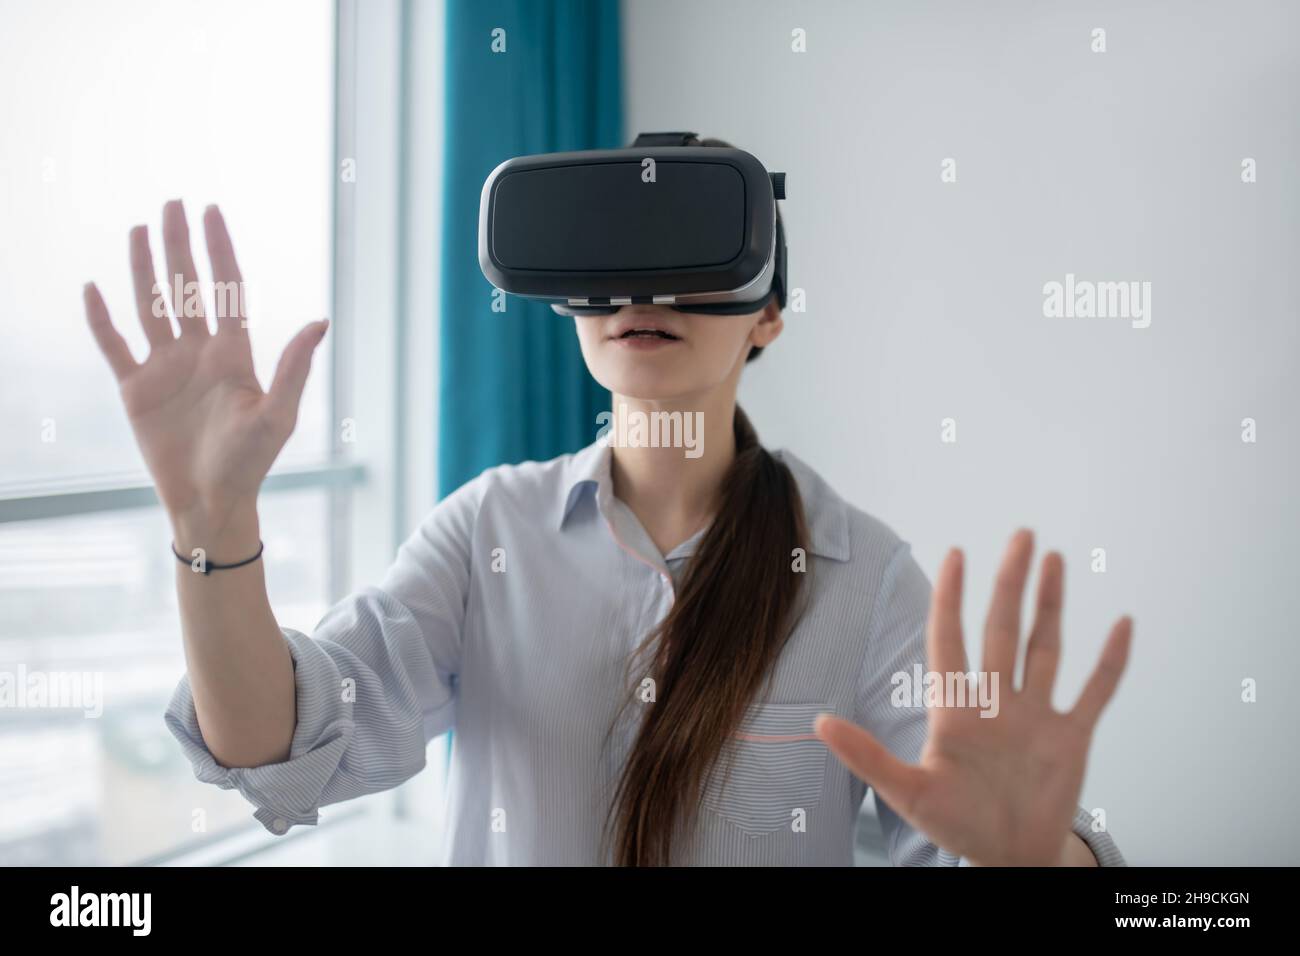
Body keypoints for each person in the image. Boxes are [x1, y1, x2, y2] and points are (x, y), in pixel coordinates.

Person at [83, 181, 1131, 866]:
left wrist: (1036, 858)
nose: (645, 286)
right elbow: (273, 741)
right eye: (613, 255)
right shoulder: (485, 531)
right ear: (565, 295)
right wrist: (212, 519)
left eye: (694, 248)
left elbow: (984, 836)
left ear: (767, 313)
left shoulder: (863, 575)